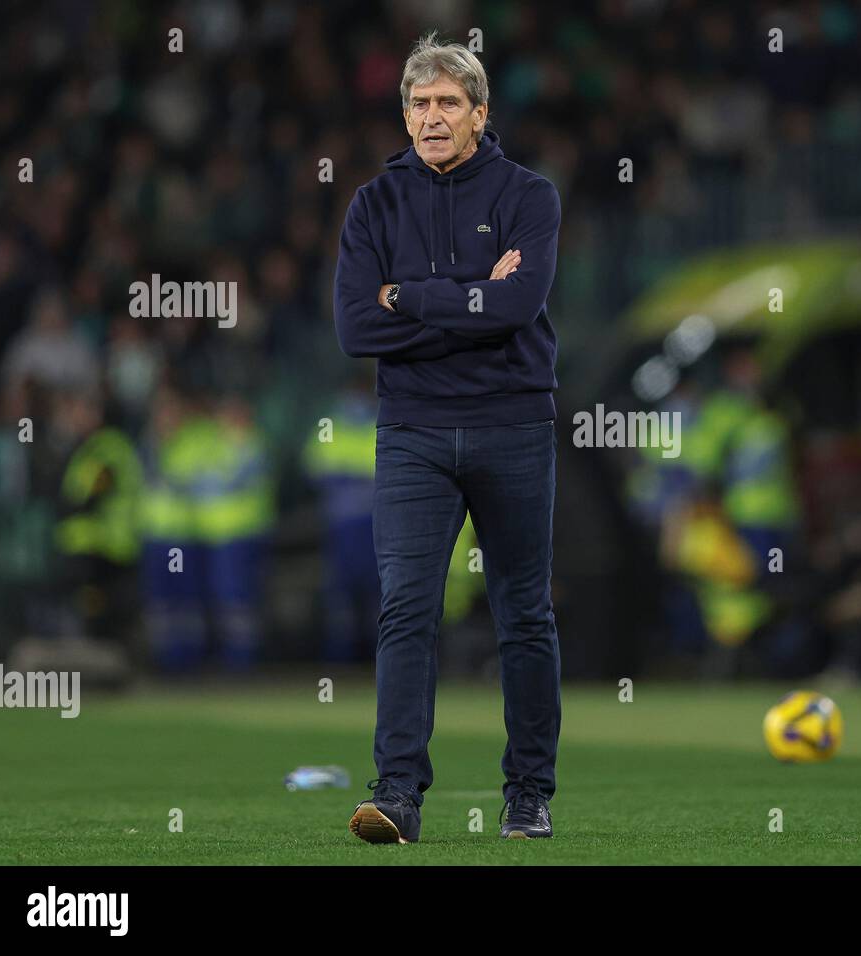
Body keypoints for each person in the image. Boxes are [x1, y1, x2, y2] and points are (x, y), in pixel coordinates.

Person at [334, 32, 562, 843]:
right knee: (405, 609)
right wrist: (466, 297)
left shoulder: (530, 196)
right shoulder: (373, 202)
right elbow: (356, 328)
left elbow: (516, 307)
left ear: (479, 115)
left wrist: (409, 298)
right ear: (404, 115)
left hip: (514, 425)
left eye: (448, 104)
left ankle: (528, 795)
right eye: (419, 105)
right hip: (414, 435)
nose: (432, 118)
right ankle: (397, 796)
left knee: (524, 615)